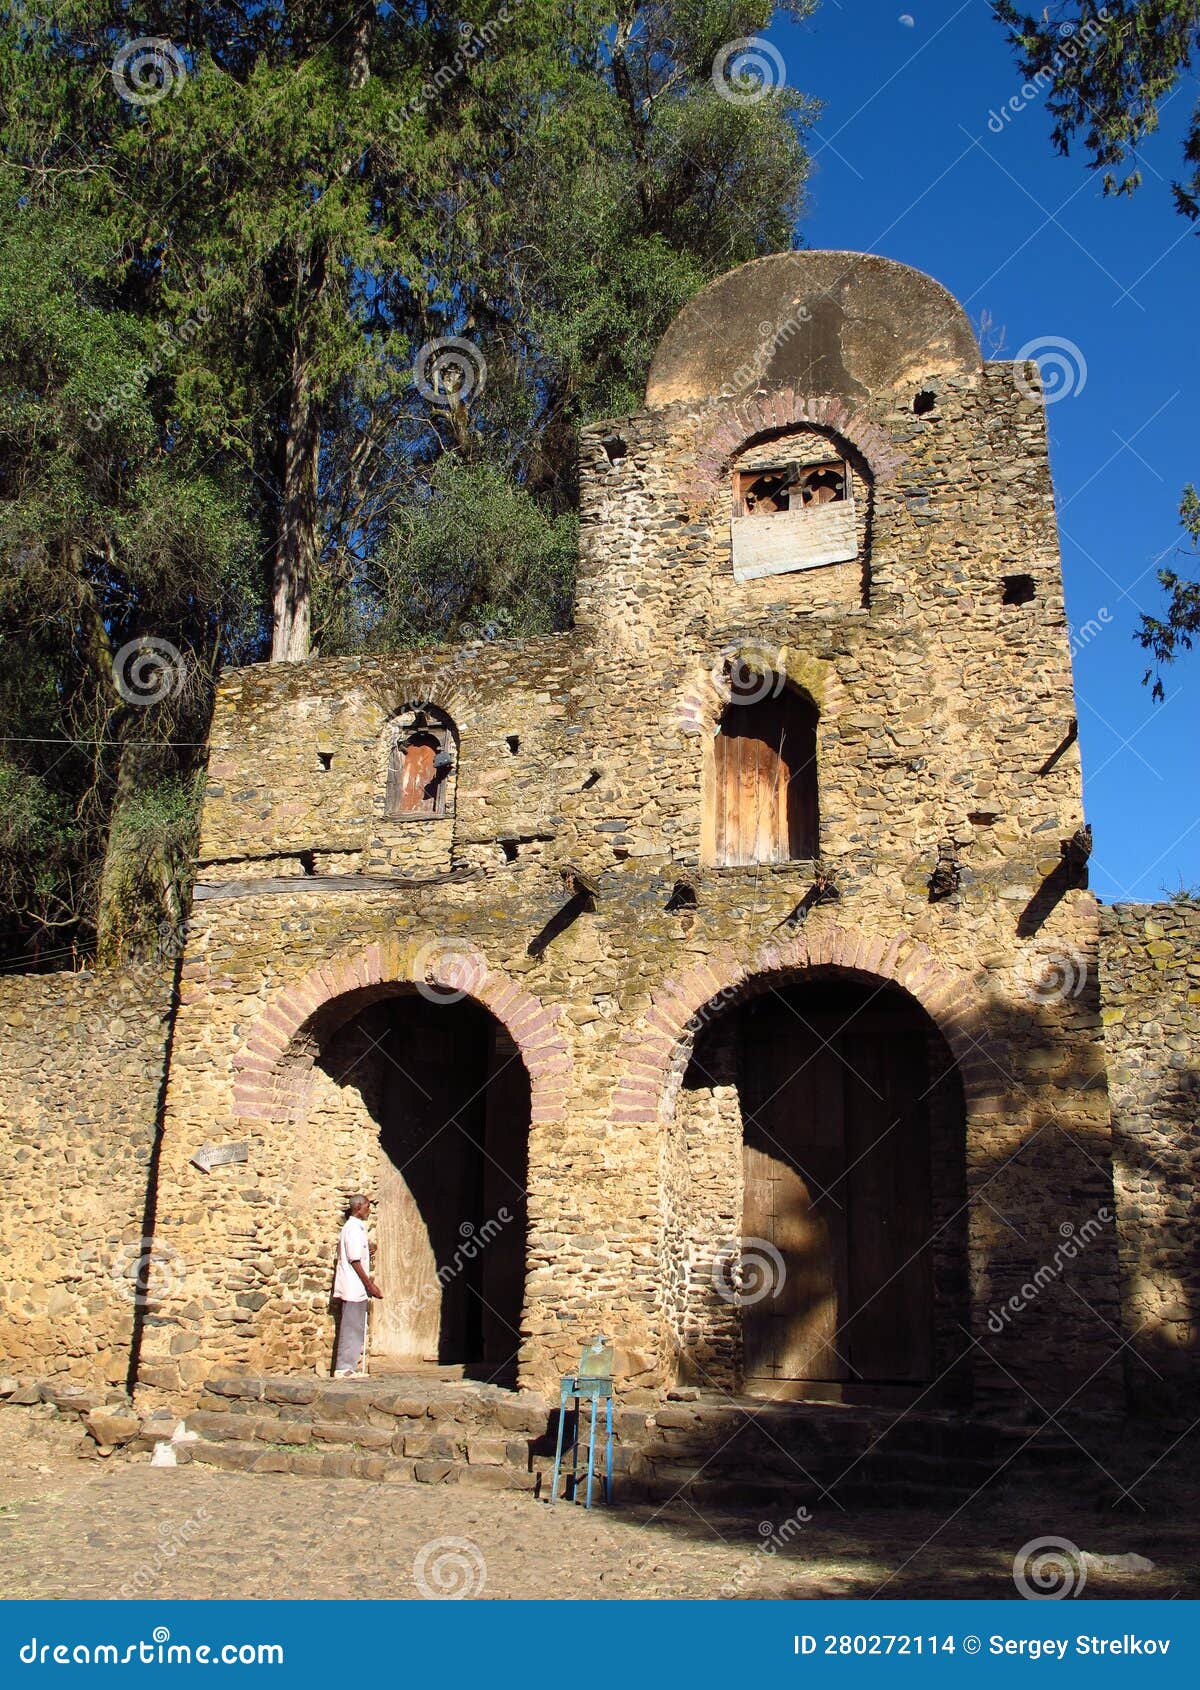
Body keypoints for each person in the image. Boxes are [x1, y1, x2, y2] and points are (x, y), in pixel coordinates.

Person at [332, 1194, 382, 1377]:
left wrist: (367, 1250)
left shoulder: (357, 1228)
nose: (369, 1210)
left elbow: (357, 1253)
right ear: (359, 1207)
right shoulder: (352, 1229)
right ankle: (344, 1368)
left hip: (356, 1287)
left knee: (356, 1325)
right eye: (368, 1207)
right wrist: (370, 1286)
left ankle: (349, 1366)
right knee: (351, 1326)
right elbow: (354, 1260)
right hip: (353, 1286)